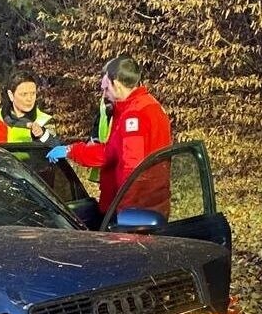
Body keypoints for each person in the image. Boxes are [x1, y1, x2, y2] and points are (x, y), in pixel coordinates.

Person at [47, 57, 171, 217]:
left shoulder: (134, 115)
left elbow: (131, 170)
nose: (105, 94)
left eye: (106, 88)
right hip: (153, 203)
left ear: (117, 84)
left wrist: (124, 214)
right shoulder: (150, 105)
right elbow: (112, 151)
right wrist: (72, 150)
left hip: (136, 210)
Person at [0, 73, 57, 144]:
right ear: (11, 95)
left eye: (33, 93)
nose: (29, 99)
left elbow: (55, 147)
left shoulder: (44, 120)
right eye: (24, 94)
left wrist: (42, 134)